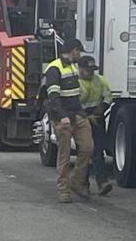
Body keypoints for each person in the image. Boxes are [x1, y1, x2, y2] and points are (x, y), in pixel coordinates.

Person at [43, 38, 93, 203]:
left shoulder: (72, 66)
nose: (80, 55)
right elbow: (53, 96)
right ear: (74, 50)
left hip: (77, 114)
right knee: (64, 155)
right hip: (62, 118)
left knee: (87, 148)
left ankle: (76, 182)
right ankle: (63, 190)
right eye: (79, 51)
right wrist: (62, 116)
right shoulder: (54, 69)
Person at [78, 55, 113, 196]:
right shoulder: (75, 82)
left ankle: (102, 182)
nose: (91, 73)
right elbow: (73, 103)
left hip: (97, 118)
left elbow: (108, 96)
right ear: (80, 69)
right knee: (85, 152)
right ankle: (83, 185)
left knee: (98, 151)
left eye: (92, 70)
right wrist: (86, 116)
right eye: (88, 70)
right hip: (81, 118)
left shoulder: (99, 80)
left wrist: (102, 107)